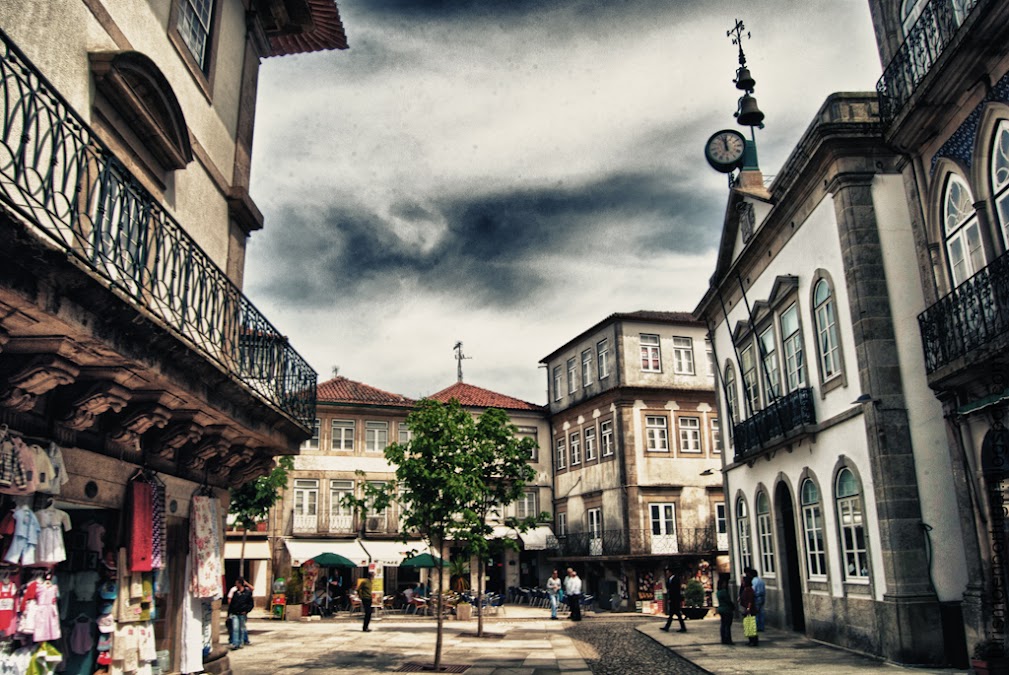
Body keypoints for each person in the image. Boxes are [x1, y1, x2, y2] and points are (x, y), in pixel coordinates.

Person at [227, 578, 254, 649]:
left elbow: (251, 604)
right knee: (235, 628)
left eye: (237, 583)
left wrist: (246, 610)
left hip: (242, 614)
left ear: (240, 584)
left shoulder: (247, 593)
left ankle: (241, 642)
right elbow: (231, 604)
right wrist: (229, 613)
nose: (236, 585)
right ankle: (235, 643)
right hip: (235, 613)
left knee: (242, 629)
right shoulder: (235, 593)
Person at [661, 566, 686, 632]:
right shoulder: (669, 579)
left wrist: (672, 598)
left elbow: (675, 590)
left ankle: (682, 627)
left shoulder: (676, 579)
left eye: (668, 572)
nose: (667, 573)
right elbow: (669, 588)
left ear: (670, 572)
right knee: (673, 614)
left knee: (676, 614)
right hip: (672, 599)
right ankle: (667, 627)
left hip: (675, 599)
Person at [739, 574, 758, 647]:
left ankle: (753, 640)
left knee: (751, 625)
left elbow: (750, 600)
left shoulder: (749, 590)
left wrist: (748, 608)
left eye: (743, 581)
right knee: (748, 625)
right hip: (747, 609)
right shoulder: (746, 589)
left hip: (750, 610)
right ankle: (751, 640)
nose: (742, 583)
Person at [716, 576, 734, 645]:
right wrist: (732, 606)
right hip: (726, 609)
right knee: (727, 625)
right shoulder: (724, 592)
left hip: (721, 609)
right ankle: (728, 639)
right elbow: (728, 600)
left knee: (723, 625)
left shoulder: (718, 592)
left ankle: (723, 639)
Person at [746, 567, 766, 632]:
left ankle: (756, 627)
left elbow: (753, 590)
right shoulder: (761, 580)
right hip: (762, 597)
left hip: (756, 598)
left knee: (756, 613)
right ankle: (762, 626)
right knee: (761, 613)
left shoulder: (754, 581)